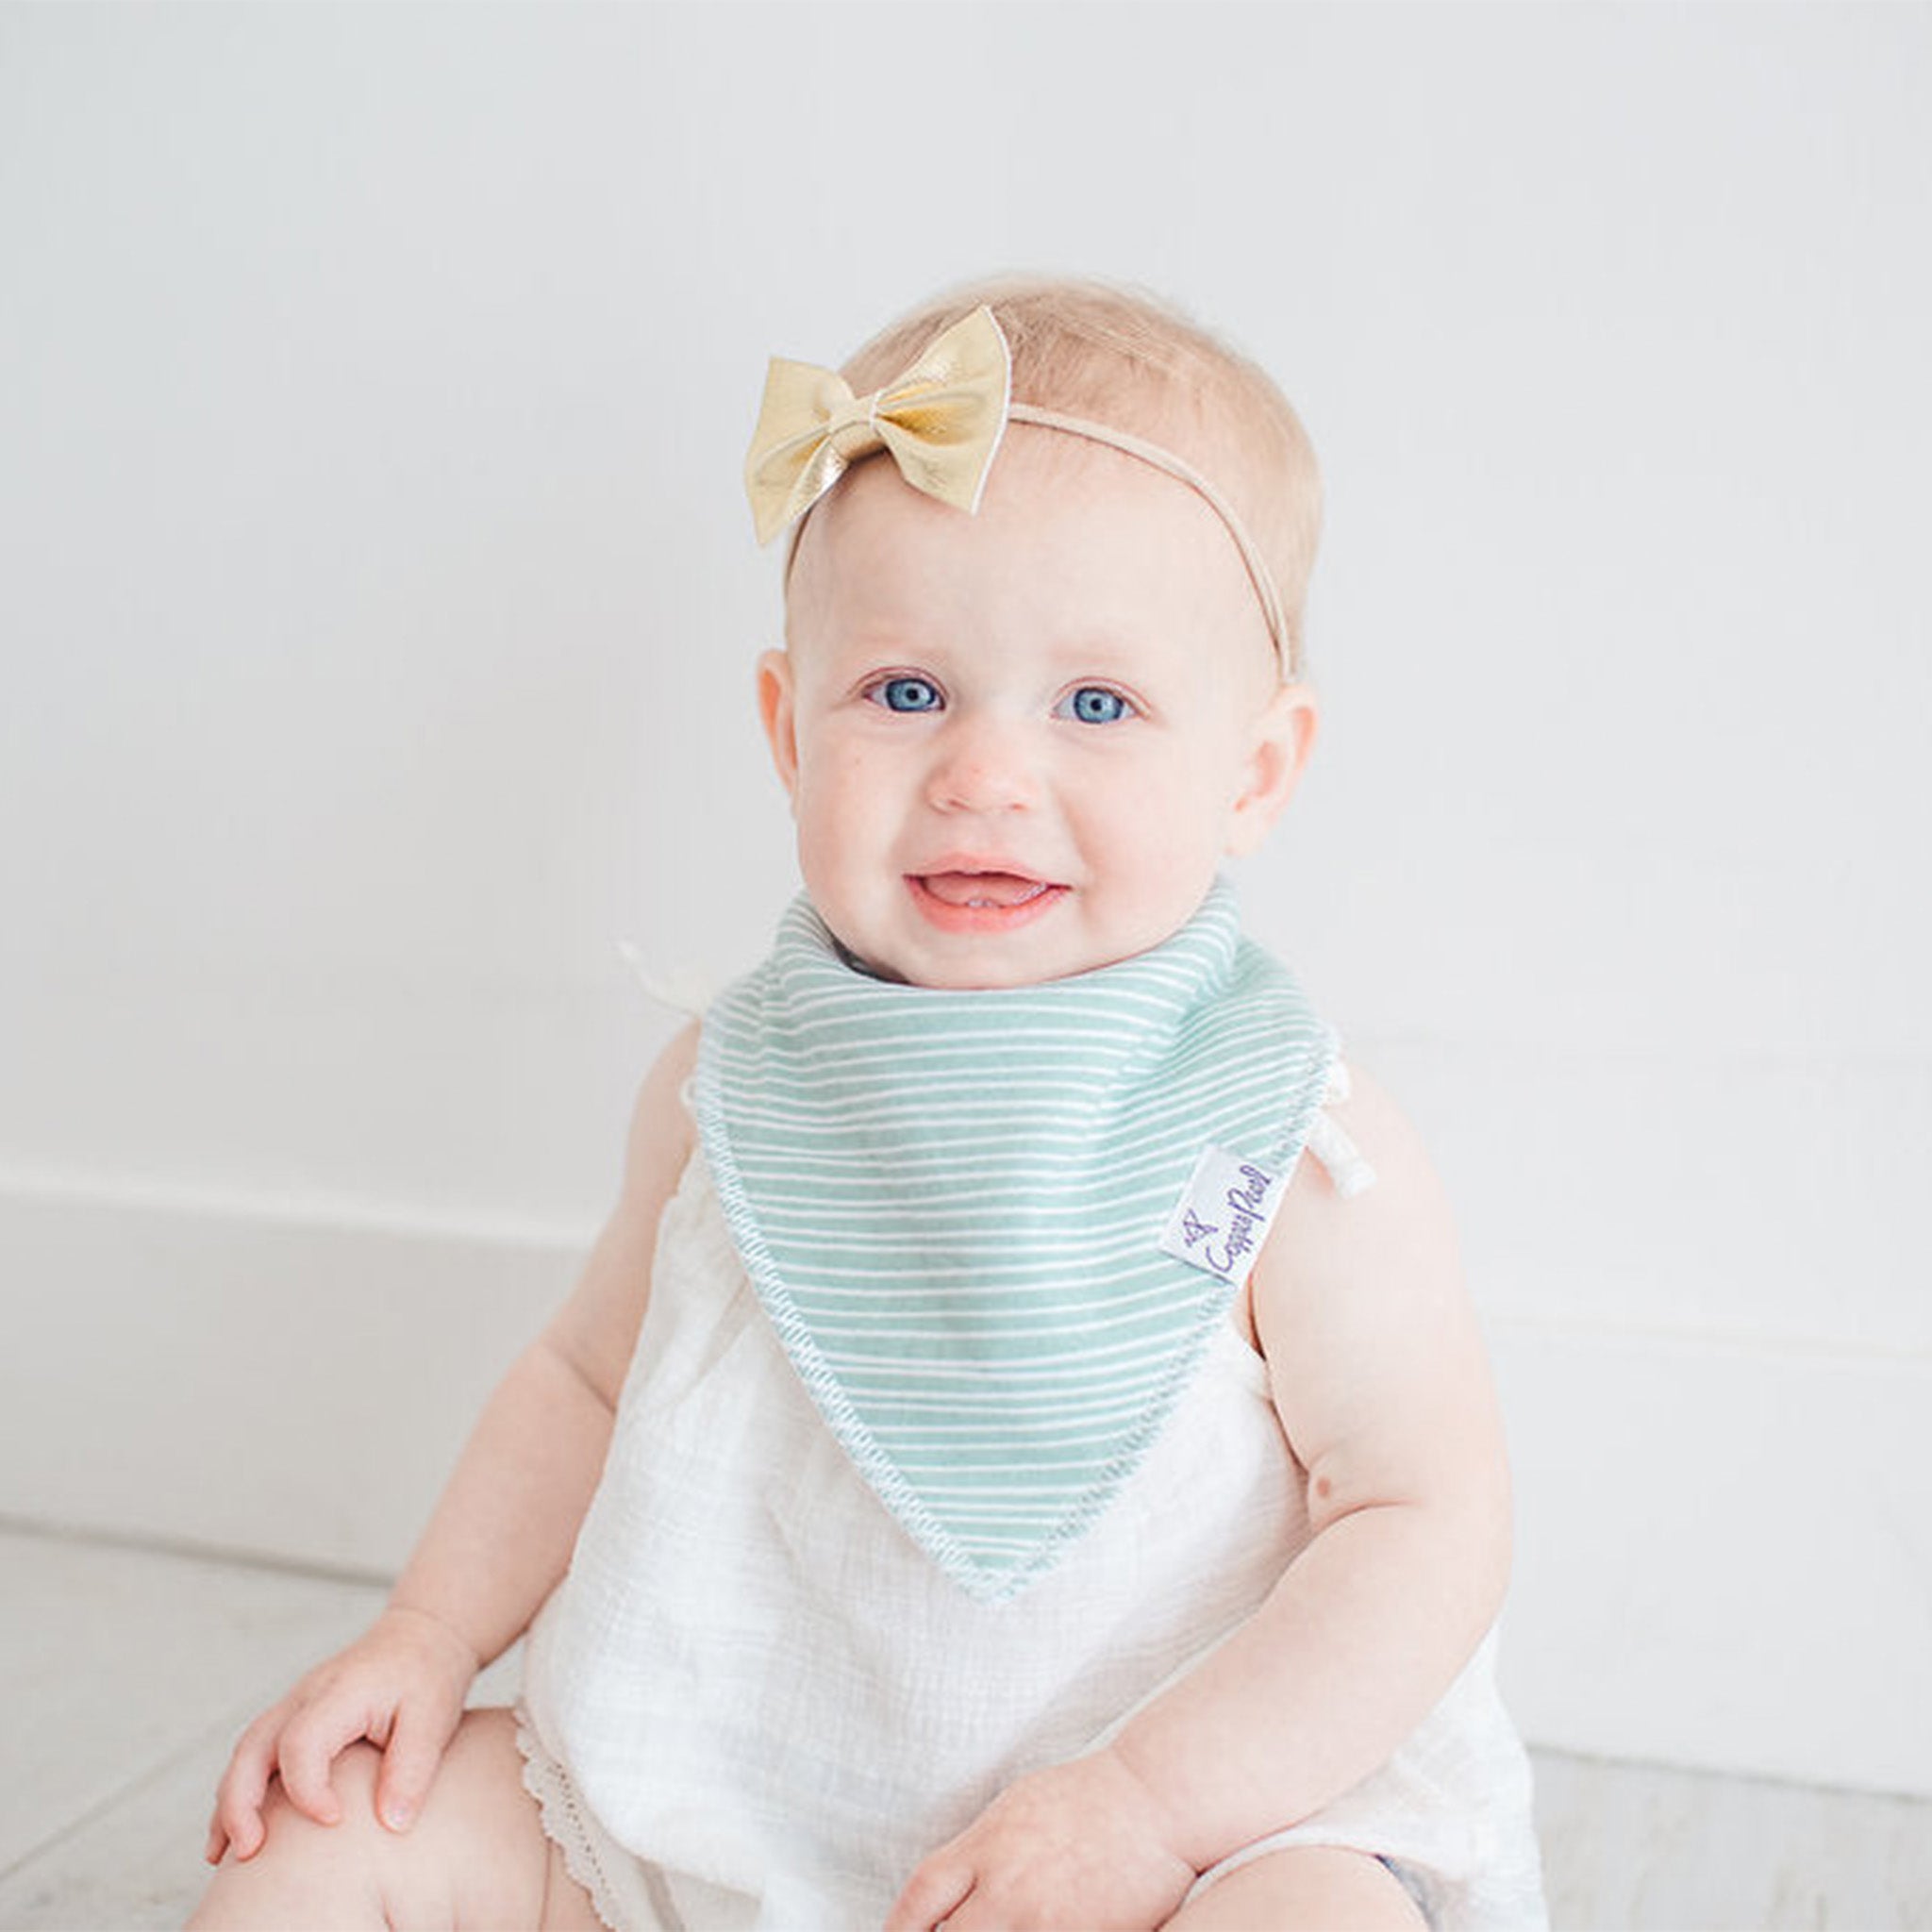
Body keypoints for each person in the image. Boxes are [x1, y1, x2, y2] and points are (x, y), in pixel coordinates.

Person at [190, 276, 1547, 1931]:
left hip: (1183, 1846)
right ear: (787, 727)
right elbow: (581, 1383)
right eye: (906, 692)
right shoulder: (725, 1093)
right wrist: (428, 1630)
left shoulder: (1295, 1151)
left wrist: (1150, 1806)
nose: (984, 774)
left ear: (1254, 772)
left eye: (1096, 705)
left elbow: (1423, 1522)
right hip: (702, 1824)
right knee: (329, 1845)